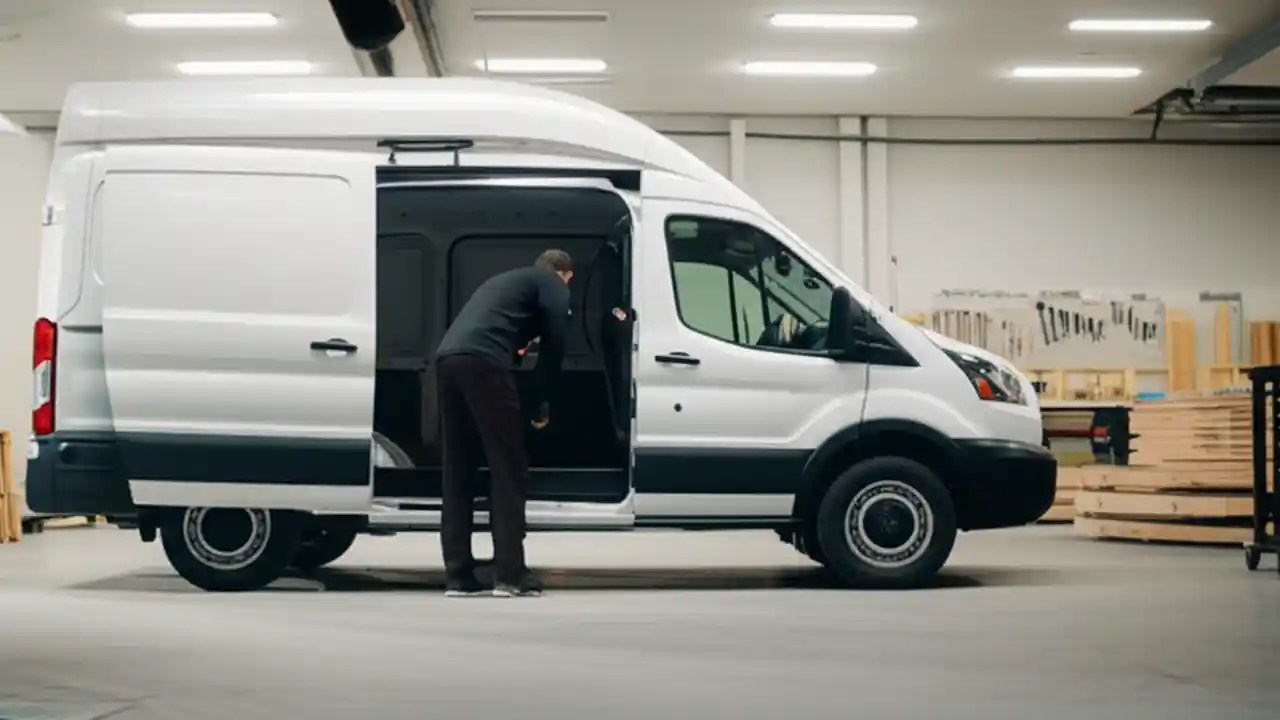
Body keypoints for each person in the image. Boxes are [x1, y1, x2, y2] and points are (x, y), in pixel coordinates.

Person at [434, 249, 573, 598]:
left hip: (448, 359)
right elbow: (557, 343)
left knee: (458, 468)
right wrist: (542, 399)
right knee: (508, 467)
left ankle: (458, 575)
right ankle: (511, 575)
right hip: (485, 362)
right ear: (565, 273)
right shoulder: (553, 283)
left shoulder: (507, 281)